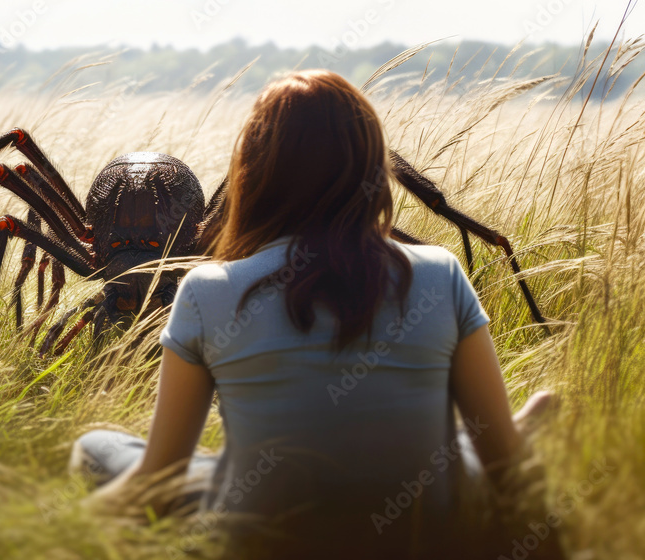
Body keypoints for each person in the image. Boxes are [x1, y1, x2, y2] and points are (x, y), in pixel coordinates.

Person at [70, 69, 555, 558]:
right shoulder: (441, 274)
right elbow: (508, 471)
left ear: (249, 172)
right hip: (421, 529)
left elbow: (157, 478)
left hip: (258, 537)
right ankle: (520, 422)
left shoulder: (203, 290)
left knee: (96, 447)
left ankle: (243, 470)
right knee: (465, 448)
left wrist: (61, 525)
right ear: (374, 169)